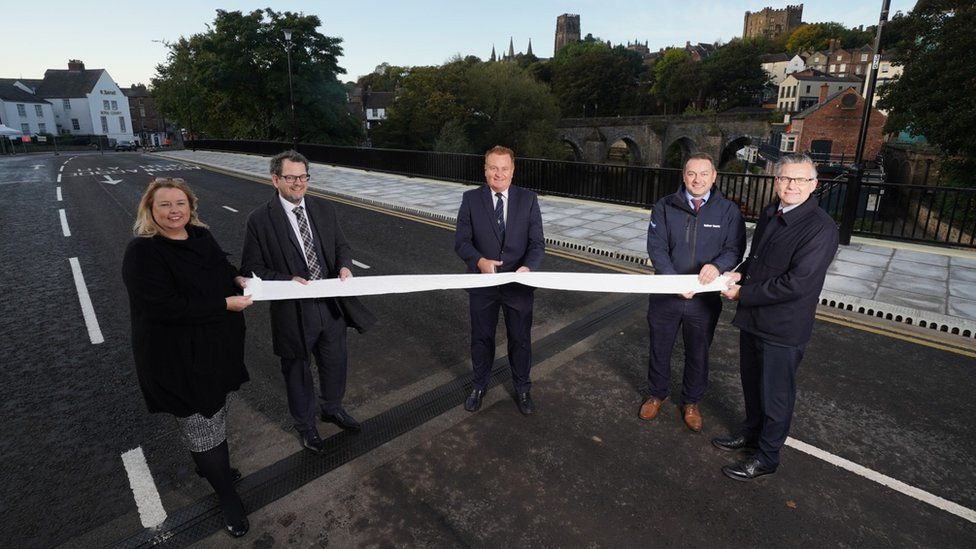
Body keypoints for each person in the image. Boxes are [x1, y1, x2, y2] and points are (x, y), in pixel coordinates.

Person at [122, 178, 252, 537]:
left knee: (215, 413)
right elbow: (164, 307)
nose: (173, 211)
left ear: (190, 207)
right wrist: (224, 304)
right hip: (177, 360)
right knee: (203, 423)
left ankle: (211, 468)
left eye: (180, 203)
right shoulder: (143, 252)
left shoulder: (200, 236)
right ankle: (227, 497)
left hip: (216, 350)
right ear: (150, 210)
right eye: (164, 204)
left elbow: (221, 269)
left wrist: (238, 280)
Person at [713, 153, 839, 481]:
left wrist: (742, 293)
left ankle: (767, 457)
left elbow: (797, 284)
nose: (792, 185)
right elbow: (758, 258)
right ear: (776, 181)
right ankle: (751, 434)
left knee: (776, 395)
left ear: (814, 185)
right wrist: (740, 274)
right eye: (785, 178)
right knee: (753, 385)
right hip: (754, 319)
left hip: (783, 327)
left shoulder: (821, 229)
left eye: (800, 179)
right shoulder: (772, 212)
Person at [241, 150, 375, 454]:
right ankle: (305, 426)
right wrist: (286, 280)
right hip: (293, 311)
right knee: (297, 372)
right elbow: (251, 268)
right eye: (291, 177)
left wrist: (345, 266)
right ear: (275, 180)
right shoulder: (259, 220)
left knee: (335, 362)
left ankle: (332, 408)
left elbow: (341, 246)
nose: (298, 183)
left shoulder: (324, 209)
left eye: (303, 176)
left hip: (330, 305)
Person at [641, 153, 746, 431]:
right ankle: (657, 394)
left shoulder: (728, 211)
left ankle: (691, 402)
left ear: (714, 176)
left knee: (698, 352)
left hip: (704, 298)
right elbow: (657, 248)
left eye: (703, 174)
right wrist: (674, 282)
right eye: (691, 173)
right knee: (659, 347)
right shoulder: (664, 206)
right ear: (683, 176)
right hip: (667, 294)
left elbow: (735, 249)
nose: (697, 179)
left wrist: (718, 266)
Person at [455, 145, 545, 415]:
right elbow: (461, 242)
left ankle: (523, 388)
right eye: (493, 168)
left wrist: (528, 267)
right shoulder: (470, 199)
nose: (499, 173)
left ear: (513, 171)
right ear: (485, 170)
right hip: (483, 285)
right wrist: (479, 262)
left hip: (518, 285)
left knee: (520, 339)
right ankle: (479, 386)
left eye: (504, 168)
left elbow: (537, 243)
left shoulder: (528, 199)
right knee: (481, 338)